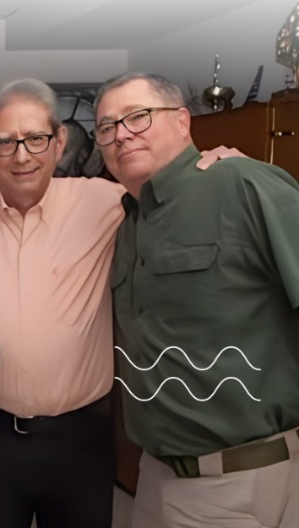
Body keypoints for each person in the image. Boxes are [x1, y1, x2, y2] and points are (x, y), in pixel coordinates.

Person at [95, 71, 299, 528]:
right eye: (106, 127)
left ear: (183, 121)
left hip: (236, 481)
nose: (121, 134)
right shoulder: (128, 222)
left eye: (138, 117)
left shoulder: (241, 184)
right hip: (157, 474)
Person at [0, 78, 123, 528]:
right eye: (5, 142)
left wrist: (217, 160)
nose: (21, 156)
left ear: (59, 142)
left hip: (81, 442)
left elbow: (171, 188)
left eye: (35, 139)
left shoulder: (108, 203)